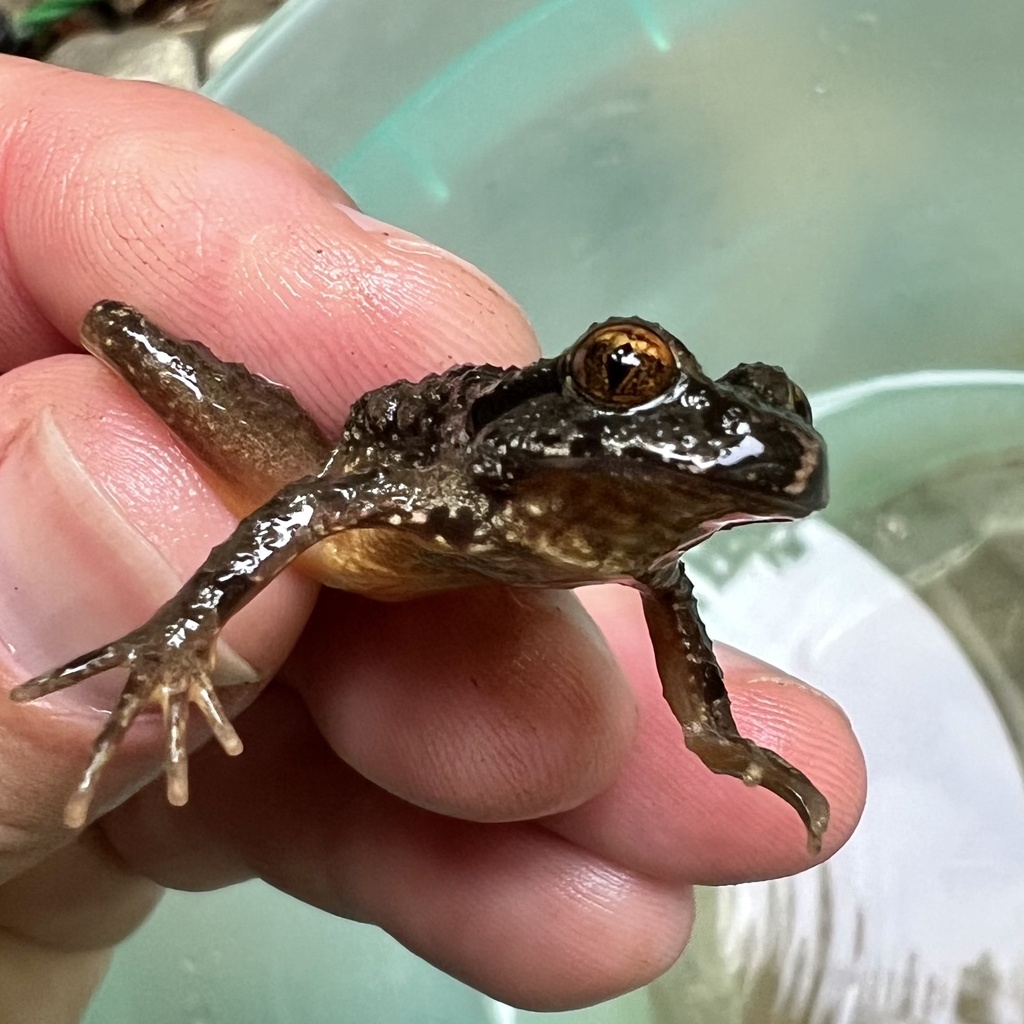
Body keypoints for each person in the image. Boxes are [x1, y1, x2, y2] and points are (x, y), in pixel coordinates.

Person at [0, 55, 866, 1022]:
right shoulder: (468, 487)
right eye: (627, 372)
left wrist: (712, 734)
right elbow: (309, 512)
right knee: (120, 326)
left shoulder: (637, 543)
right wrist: (180, 634)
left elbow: (668, 592)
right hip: (347, 471)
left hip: (407, 577)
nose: (723, 424)